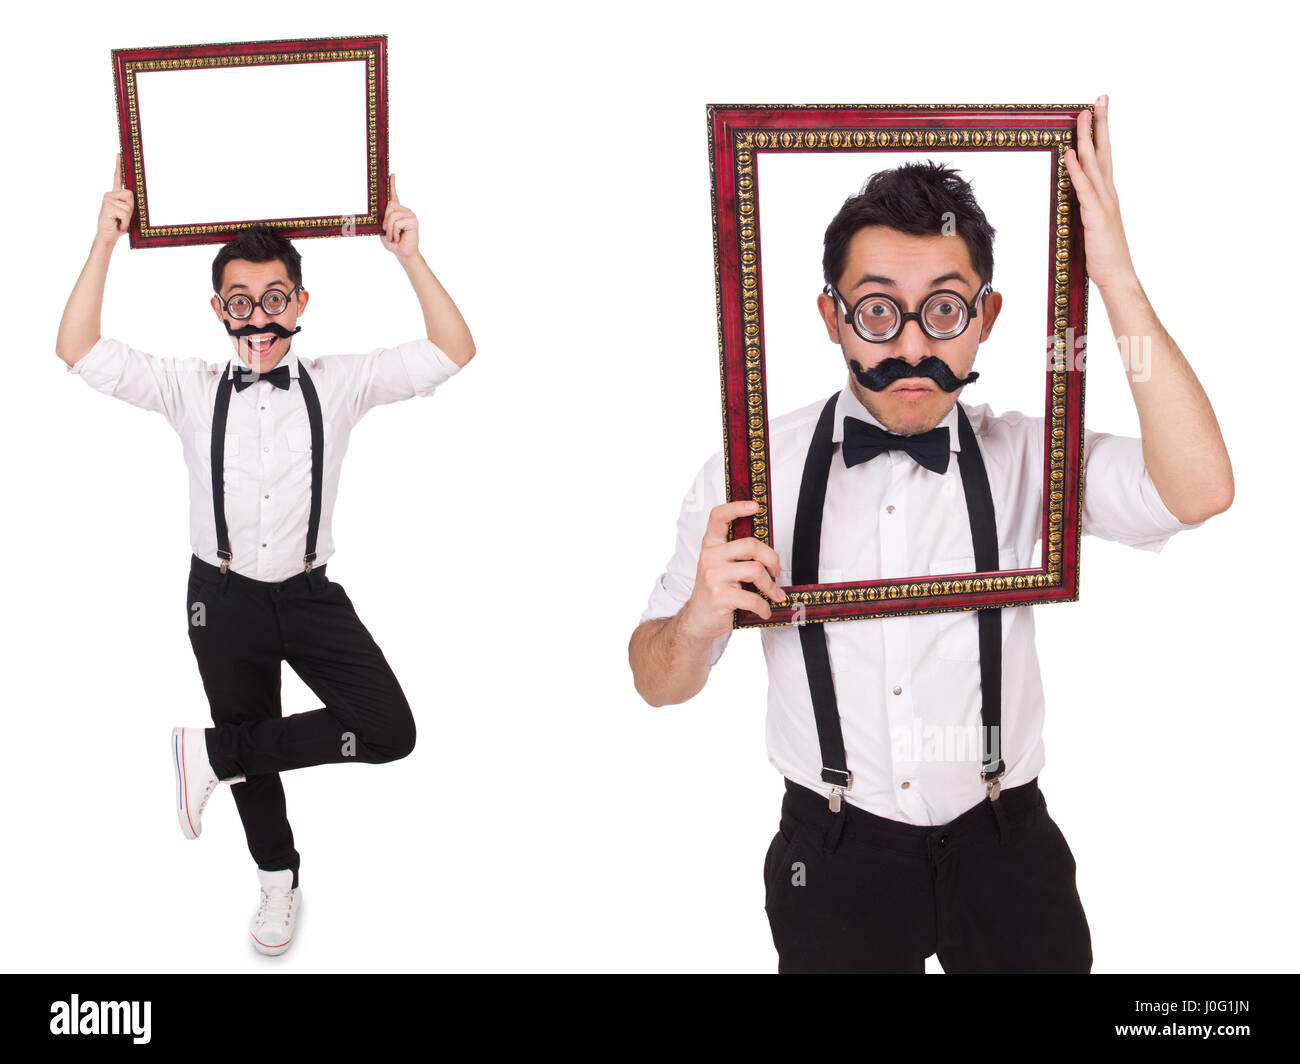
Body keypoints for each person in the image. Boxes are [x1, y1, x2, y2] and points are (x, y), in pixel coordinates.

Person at [628, 97, 1233, 973]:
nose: (911, 346)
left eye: (943, 311)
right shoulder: (748, 471)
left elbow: (1202, 489)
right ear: (832, 317)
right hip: (831, 856)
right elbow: (656, 682)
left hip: (1007, 844)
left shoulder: (1032, 454)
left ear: (986, 317)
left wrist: (1115, 280)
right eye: (878, 311)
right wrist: (696, 622)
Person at [56, 155, 476, 956]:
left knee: (387, 728)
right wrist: (103, 242)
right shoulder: (187, 387)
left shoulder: (339, 382)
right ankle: (276, 880)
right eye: (241, 302)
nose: (258, 318)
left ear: (300, 304)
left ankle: (212, 755)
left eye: (274, 300)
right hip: (220, 597)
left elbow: (454, 351)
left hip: (312, 595)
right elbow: (76, 349)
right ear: (219, 308)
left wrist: (409, 256)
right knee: (259, 739)